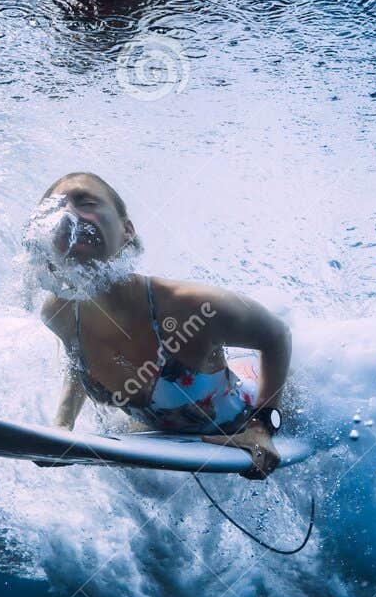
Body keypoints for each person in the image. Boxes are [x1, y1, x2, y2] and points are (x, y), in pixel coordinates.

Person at [30, 171, 291, 479]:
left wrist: (262, 427)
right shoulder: (58, 313)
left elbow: (277, 335)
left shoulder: (188, 306)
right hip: (165, 431)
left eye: (86, 202)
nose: (71, 214)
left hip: (245, 413)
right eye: (57, 209)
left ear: (127, 229)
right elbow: (78, 360)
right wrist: (62, 425)